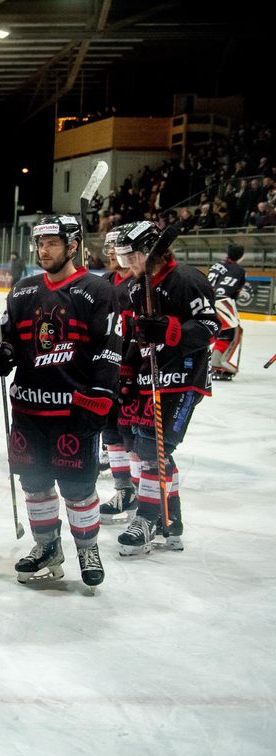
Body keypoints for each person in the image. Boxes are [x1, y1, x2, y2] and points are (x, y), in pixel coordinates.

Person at [0, 215, 122, 589]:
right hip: (29, 410)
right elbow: (12, 342)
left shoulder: (98, 291)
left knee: (78, 487)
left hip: (73, 411)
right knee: (35, 484)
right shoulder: (24, 291)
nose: (43, 251)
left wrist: (101, 400)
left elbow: (109, 352)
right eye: (40, 244)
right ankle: (47, 546)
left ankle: (87, 549)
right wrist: (1, 355)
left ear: (73, 246)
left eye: (53, 244)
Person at [114, 221, 218, 555]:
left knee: (153, 447)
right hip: (152, 375)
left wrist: (171, 330)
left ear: (150, 251)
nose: (126, 264)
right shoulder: (135, 288)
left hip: (186, 376)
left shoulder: (187, 280)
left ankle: (146, 519)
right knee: (148, 447)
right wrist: (126, 374)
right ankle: (170, 519)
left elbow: (210, 326)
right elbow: (134, 335)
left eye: (131, 256)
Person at [98, 225, 142, 523]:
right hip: (109, 371)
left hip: (137, 373)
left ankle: (143, 494)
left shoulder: (143, 284)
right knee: (111, 433)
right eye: (110, 246)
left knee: (136, 439)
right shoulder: (104, 283)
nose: (112, 252)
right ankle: (124, 489)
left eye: (117, 246)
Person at [206, 243, 246, 380]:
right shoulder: (239, 270)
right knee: (233, 333)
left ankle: (214, 362)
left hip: (208, 301)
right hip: (224, 303)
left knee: (221, 333)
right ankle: (219, 364)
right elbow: (234, 289)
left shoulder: (216, 265)